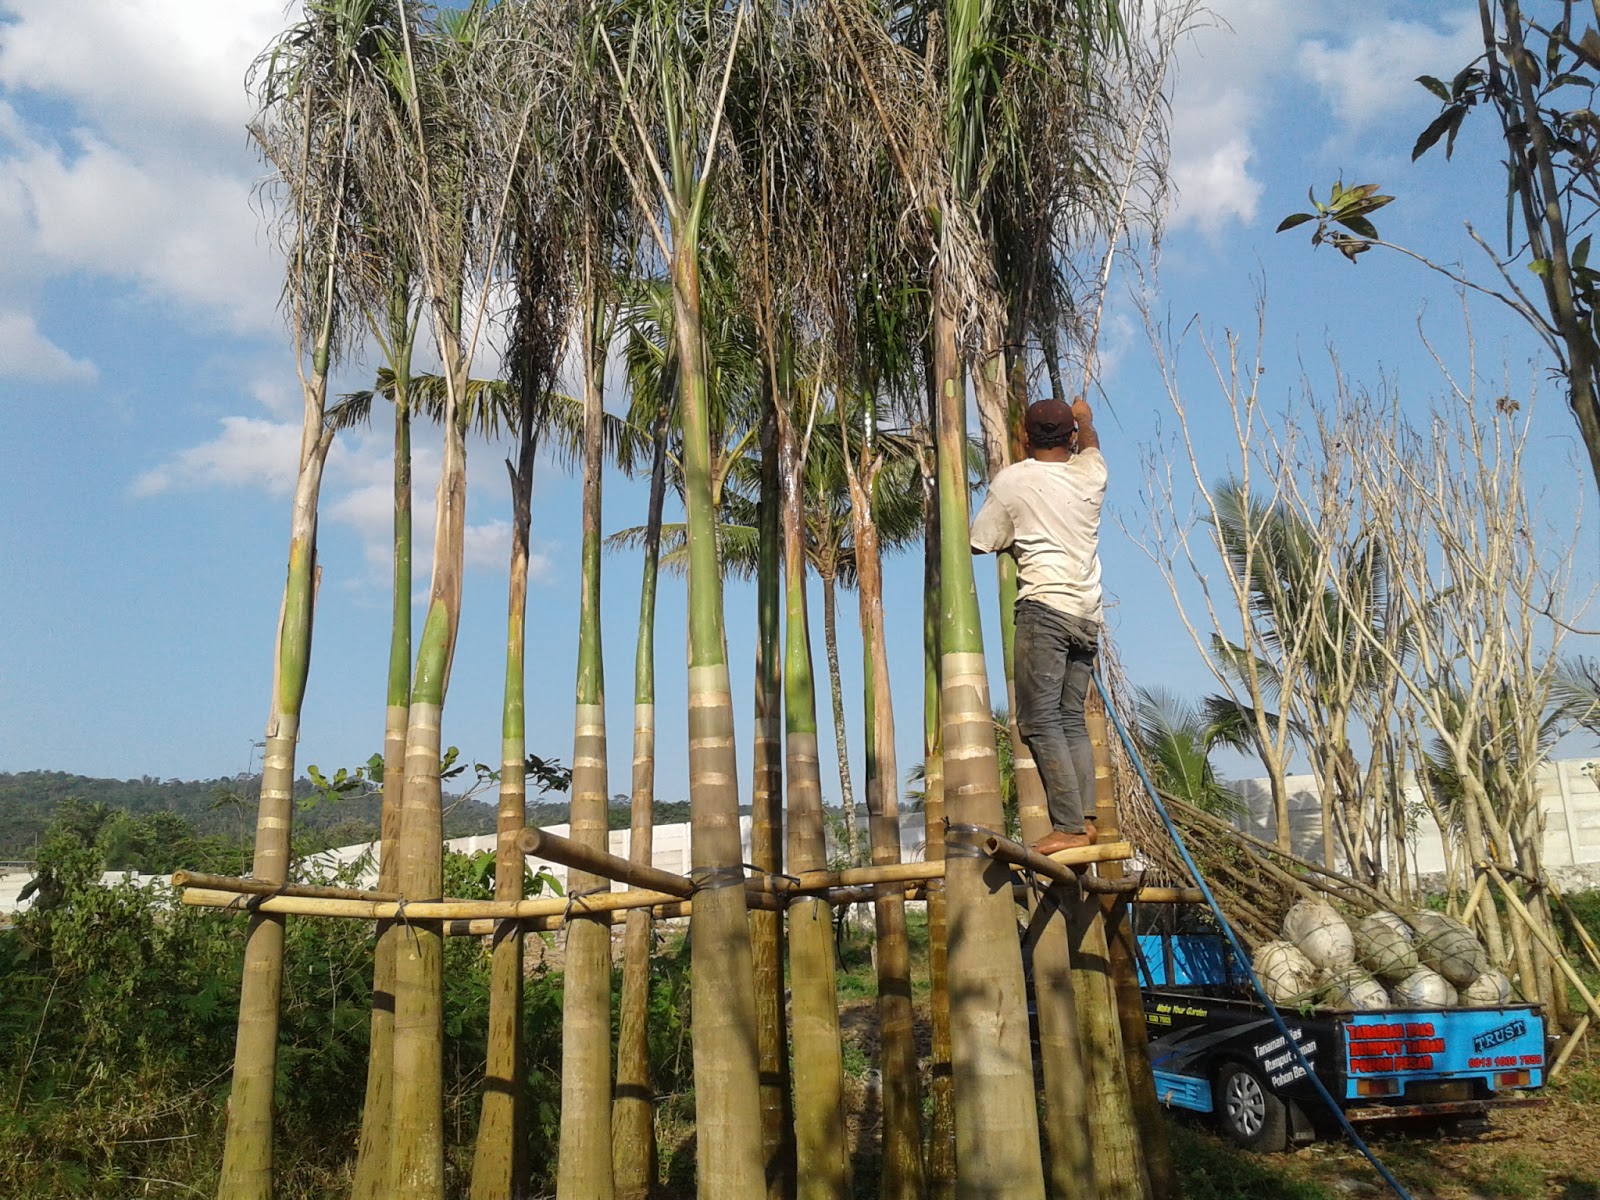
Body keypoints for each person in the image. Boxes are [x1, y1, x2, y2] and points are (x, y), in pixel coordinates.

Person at [969, 394, 1106, 855]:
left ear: (1025, 439)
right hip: (1087, 615)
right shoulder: (1093, 473)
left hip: (1044, 610)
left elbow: (980, 541)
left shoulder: (1012, 482)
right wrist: (1084, 416)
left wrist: (1017, 534)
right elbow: (1091, 443)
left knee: (1038, 720)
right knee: (1070, 719)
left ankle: (1067, 825)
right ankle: (1085, 821)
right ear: (1070, 437)